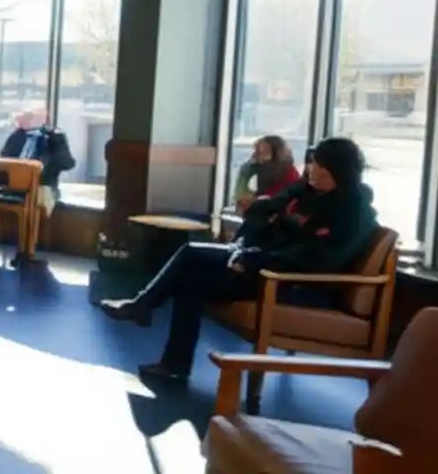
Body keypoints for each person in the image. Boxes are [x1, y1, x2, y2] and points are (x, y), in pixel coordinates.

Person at [100, 137, 377, 383]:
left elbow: (319, 258)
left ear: (332, 169)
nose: (309, 169)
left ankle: (145, 311)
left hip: (293, 284)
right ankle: (169, 355)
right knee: (191, 278)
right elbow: (261, 211)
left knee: (192, 256)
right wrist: (277, 226)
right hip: (264, 265)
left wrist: (262, 247)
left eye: (315, 164)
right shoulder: (307, 193)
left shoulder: (352, 209)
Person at [0, 108, 75, 216]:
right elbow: (3, 159)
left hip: (42, 185)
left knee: (41, 197)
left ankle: (35, 232)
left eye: (29, 117)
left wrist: (56, 142)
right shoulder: (17, 136)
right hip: (15, 184)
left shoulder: (53, 137)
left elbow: (68, 163)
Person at [233, 135, 301, 214]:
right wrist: (244, 176)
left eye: (259, 153)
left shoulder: (290, 174)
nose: (254, 156)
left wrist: (254, 201)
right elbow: (241, 200)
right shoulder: (264, 173)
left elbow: (275, 200)